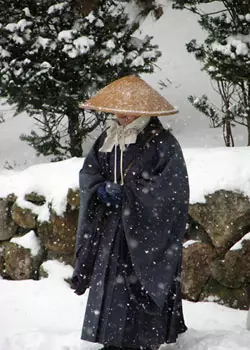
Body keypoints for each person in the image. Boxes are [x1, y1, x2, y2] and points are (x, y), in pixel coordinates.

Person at [72, 75, 189, 350]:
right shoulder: (107, 137)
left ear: (145, 110)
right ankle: (111, 339)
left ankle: (143, 340)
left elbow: (171, 190)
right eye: (118, 109)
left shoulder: (163, 143)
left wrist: (130, 196)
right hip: (111, 227)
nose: (122, 115)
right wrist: (99, 189)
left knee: (138, 283)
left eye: (129, 110)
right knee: (112, 280)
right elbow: (89, 172)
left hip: (145, 230)